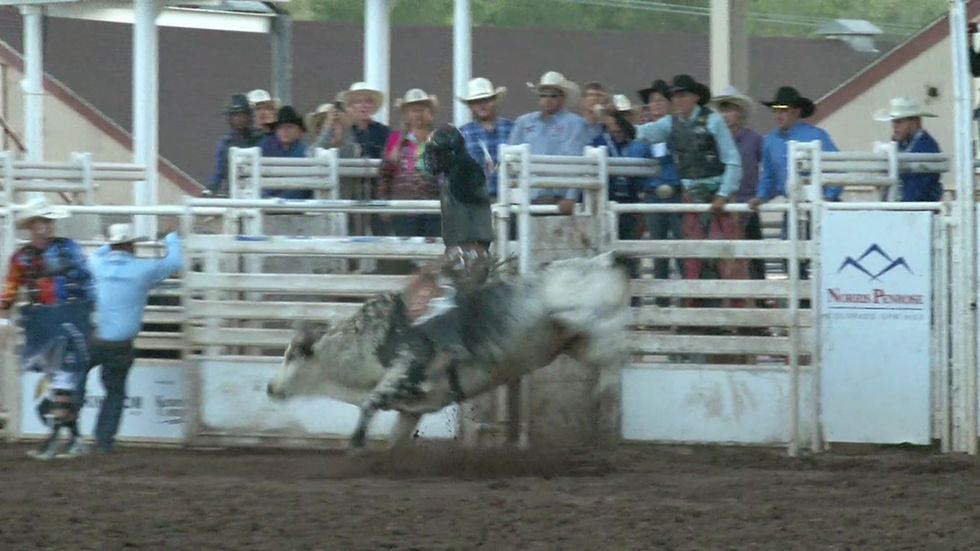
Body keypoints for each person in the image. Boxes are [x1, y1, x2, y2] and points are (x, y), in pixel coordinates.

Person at [76, 221, 183, 454]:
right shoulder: (142, 270)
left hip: (93, 338)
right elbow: (175, 261)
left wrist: (109, 245)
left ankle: (67, 427)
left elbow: (98, 253)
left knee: (75, 380)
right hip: (120, 344)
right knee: (114, 391)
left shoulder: (96, 264)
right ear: (130, 246)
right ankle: (103, 441)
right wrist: (172, 237)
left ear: (112, 244)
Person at [636, 74, 745, 287]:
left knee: (726, 255)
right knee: (693, 256)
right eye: (674, 96)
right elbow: (643, 134)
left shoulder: (713, 121)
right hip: (692, 195)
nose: (677, 100)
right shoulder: (670, 123)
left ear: (695, 96)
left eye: (682, 95)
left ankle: (733, 305)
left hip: (715, 194)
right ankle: (696, 305)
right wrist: (620, 119)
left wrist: (723, 194)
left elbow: (733, 160)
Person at [0, 199, 93, 362]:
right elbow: (9, 292)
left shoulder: (69, 247)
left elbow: (88, 280)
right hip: (40, 320)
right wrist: (3, 323)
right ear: (31, 225)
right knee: (35, 368)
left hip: (73, 316)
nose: (47, 226)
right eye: (42, 221)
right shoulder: (21, 257)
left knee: (75, 368)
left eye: (49, 221)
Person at [509, 70, 592, 215]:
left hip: (560, 199)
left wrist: (571, 197)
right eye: (543, 95)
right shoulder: (524, 122)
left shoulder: (575, 124)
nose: (547, 99)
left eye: (553, 95)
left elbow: (579, 161)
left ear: (563, 98)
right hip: (528, 197)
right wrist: (514, 194)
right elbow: (510, 158)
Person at [750, 86, 842, 209]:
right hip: (793, 205)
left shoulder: (817, 136)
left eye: (783, 110)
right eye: (775, 110)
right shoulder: (770, 141)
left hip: (822, 205)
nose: (778, 115)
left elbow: (836, 169)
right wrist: (760, 197)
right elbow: (768, 177)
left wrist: (828, 197)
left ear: (797, 112)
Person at [709, 85, 765, 282]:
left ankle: (760, 300)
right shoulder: (711, 140)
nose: (725, 114)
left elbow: (768, 168)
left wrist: (762, 194)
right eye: (722, 109)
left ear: (740, 113)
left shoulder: (755, 139)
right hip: (720, 206)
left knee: (754, 256)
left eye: (729, 109)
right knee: (718, 257)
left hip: (746, 206)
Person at [638, 79, 683, 306]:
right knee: (658, 250)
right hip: (654, 194)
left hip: (676, 193)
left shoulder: (676, 128)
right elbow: (637, 157)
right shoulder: (644, 135)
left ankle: (687, 303)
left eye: (660, 100)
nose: (655, 104)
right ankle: (662, 305)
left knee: (682, 249)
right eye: (652, 101)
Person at [377, 88, 441, 239]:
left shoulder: (440, 139)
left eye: (422, 109)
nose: (418, 114)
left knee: (433, 251)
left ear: (430, 112)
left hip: (435, 206)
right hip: (403, 206)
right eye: (413, 110)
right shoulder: (394, 139)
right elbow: (385, 173)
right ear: (406, 114)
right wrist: (383, 203)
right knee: (407, 250)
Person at [23, 321, 90, 460]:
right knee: (66, 412)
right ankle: (77, 441)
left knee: (57, 411)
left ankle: (51, 447)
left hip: (65, 372)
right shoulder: (64, 326)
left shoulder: (56, 329)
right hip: (68, 371)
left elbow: (51, 352)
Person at [872, 96, 942, 202]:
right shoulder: (905, 144)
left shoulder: (925, 147)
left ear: (915, 122)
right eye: (893, 121)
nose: (895, 126)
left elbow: (916, 190)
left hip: (918, 210)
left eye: (899, 121)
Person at [458, 77, 514, 200]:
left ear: (494, 101)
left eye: (486, 100)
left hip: (509, 201)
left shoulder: (512, 129)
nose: (482, 105)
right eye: (476, 102)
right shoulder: (461, 134)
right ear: (470, 106)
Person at [207, 93, 263, 196]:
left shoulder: (261, 140)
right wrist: (210, 189)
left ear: (250, 116)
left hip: (259, 194)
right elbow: (219, 172)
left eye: (243, 114)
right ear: (230, 118)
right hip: (233, 195)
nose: (240, 119)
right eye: (236, 115)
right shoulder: (225, 143)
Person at [258, 105, 311, 199]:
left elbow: (297, 191)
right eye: (280, 127)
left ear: (300, 131)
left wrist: (274, 201)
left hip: (297, 206)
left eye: (289, 127)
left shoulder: (305, 152)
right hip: (276, 204)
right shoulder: (273, 151)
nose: (284, 131)